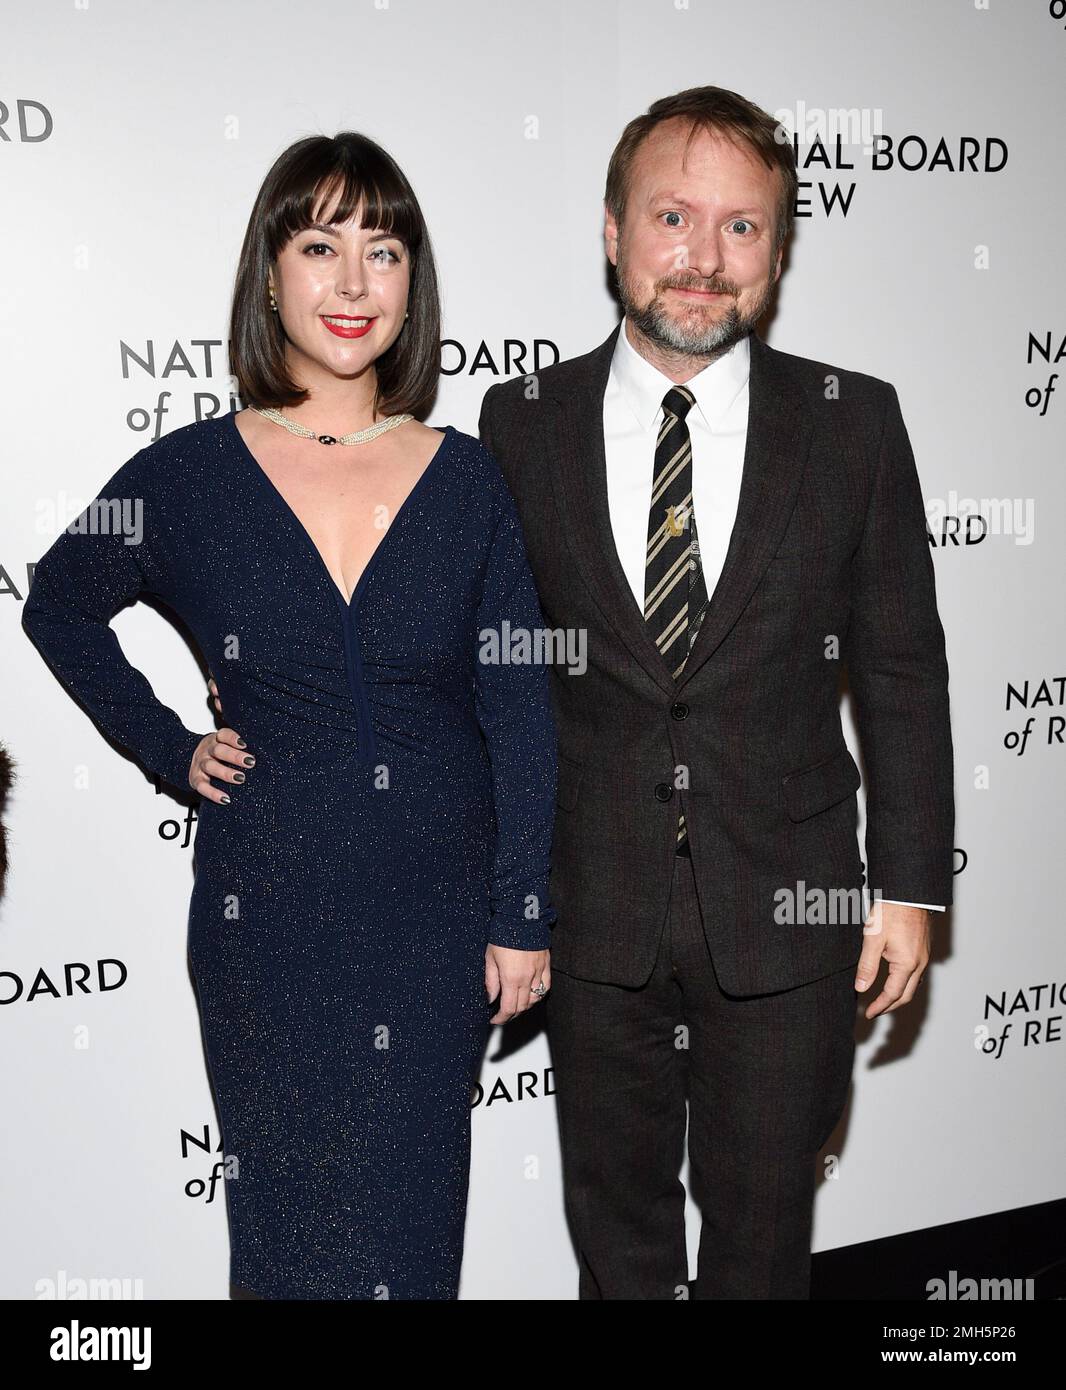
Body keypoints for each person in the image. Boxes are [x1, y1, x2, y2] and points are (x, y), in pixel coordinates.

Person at [22, 131, 557, 1301]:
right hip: (267, 914)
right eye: (319, 247)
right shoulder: (190, 477)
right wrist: (169, 748)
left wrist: (523, 908)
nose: (354, 283)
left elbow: (520, 701)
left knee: (412, 1240)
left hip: (436, 915)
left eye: (384, 248)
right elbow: (57, 604)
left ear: (414, 280)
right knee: (283, 1239)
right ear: (270, 274)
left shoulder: (465, 479)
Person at [478, 85, 954, 1299]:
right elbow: (497, 670)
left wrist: (907, 884)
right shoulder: (517, 424)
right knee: (619, 1247)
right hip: (592, 914)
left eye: (742, 227)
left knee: (761, 1251)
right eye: (673, 218)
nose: (703, 258)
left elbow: (899, 666)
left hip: (790, 918)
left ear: (779, 250)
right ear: (611, 231)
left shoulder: (853, 425)